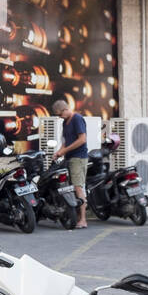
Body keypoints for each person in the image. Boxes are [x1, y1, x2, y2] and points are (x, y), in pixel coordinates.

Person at [52, 98, 88, 229]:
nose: (60, 117)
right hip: (70, 158)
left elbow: (82, 139)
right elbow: (65, 142)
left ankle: (83, 219)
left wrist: (64, 151)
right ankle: (77, 216)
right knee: (71, 187)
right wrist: (58, 153)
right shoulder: (65, 123)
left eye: (60, 114)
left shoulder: (77, 119)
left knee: (78, 187)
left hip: (78, 158)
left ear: (65, 109)